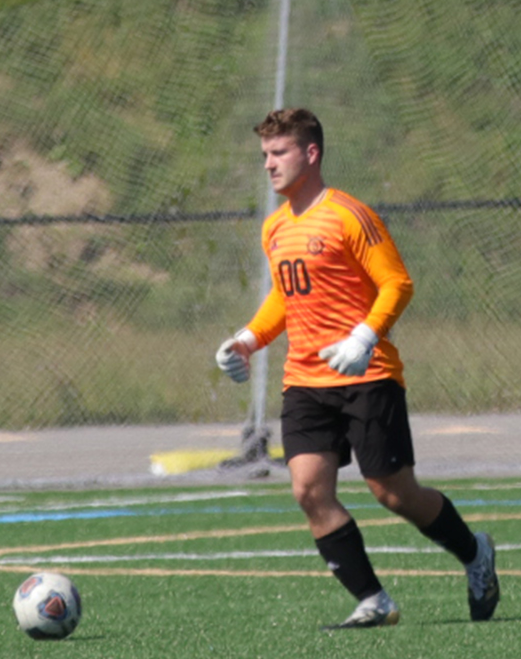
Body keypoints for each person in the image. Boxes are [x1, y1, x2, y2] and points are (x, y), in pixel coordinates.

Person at [214, 108, 500, 630]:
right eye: (264, 155)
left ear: (311, 153)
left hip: (367, 377)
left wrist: (364, 338)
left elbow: (397, 283)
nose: (268, 165)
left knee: (394, 493)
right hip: (304, 381)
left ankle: (474, 553)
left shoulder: (348, 214)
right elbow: (286, 295)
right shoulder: (275, 227)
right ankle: (373, 600)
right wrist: (247, 340)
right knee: (308, 490)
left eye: (278, 153)